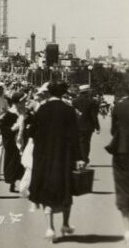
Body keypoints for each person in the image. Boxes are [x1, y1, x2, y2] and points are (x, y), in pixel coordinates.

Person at [29, 81, 85, 241]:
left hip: (43, 156)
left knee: (47, 189)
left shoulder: (42, 109)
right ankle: (65, 224)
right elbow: (75, 136)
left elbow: (32, 132)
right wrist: (79, 157)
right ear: (63, 93)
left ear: (49, 93)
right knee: (65, 188)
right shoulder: (69, 111)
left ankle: (50, 228)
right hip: (63, 156)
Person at [109, 87, 129, 245]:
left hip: (123, 150)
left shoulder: (119, 106)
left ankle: (128, 228)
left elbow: (113, 131)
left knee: (123, 187)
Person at [0, 92, 27, 193]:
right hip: (12, 141)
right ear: (17, 102)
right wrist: (12, 129)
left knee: (23, 161)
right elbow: (3, 127)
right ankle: (12, 183)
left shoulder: (25, 112)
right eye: (22, 101)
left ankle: (23, 183)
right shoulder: (10, 113)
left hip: (24, 140)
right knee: (13, 161)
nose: (25, 102)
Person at [73, 85, 101, 166]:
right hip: (88, 126)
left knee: (80, 142)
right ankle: (85, 159)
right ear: (87, 92)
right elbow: (93, 115)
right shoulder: (91, 102)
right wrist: (97, 127)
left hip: (77, 125)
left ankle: (81, 159)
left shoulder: (75, 101)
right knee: (86, 143)